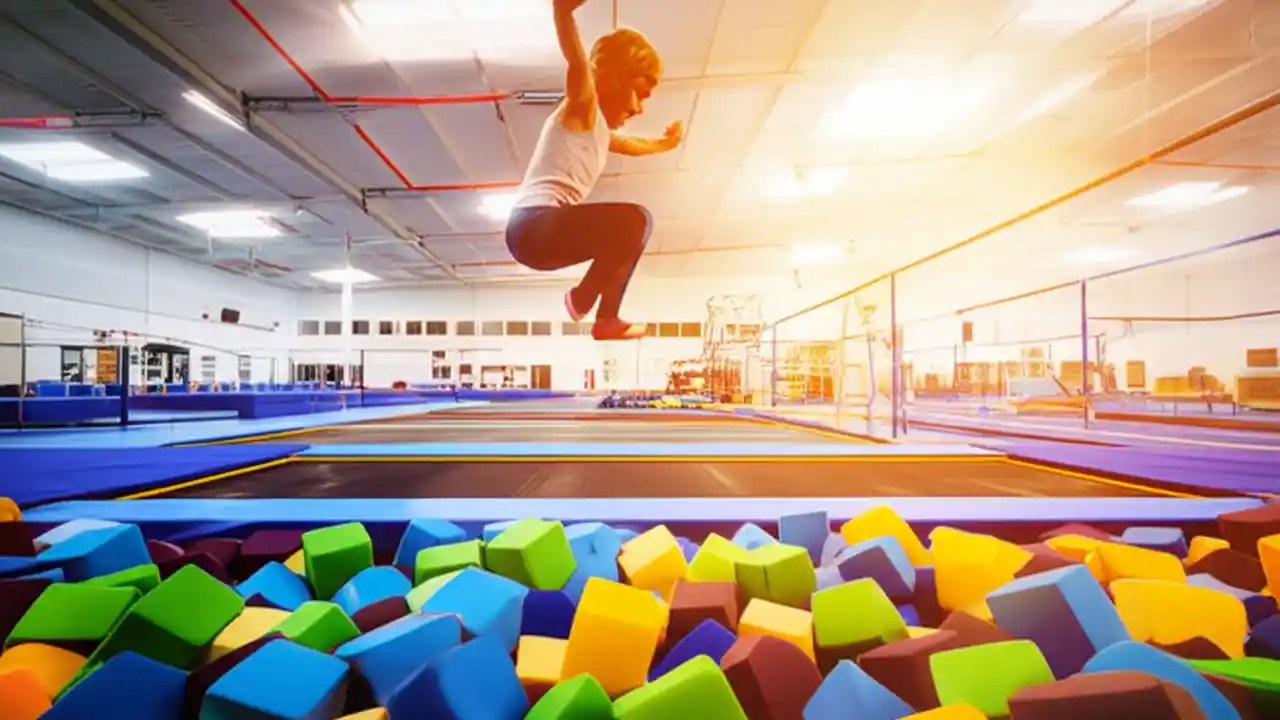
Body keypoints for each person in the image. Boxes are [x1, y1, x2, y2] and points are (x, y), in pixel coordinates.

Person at [505, 0, 682, 341]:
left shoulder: (598, 130)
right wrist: (563, 13)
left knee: (629, 234)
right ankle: (588, 302)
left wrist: (665, 144)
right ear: (615, 80)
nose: (638, 108)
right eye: (639, 95)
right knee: (634, 220)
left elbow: (631, 145)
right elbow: (578, 64)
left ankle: (605, 319)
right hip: (531, 225)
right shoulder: (583, 107)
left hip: (541, 240)